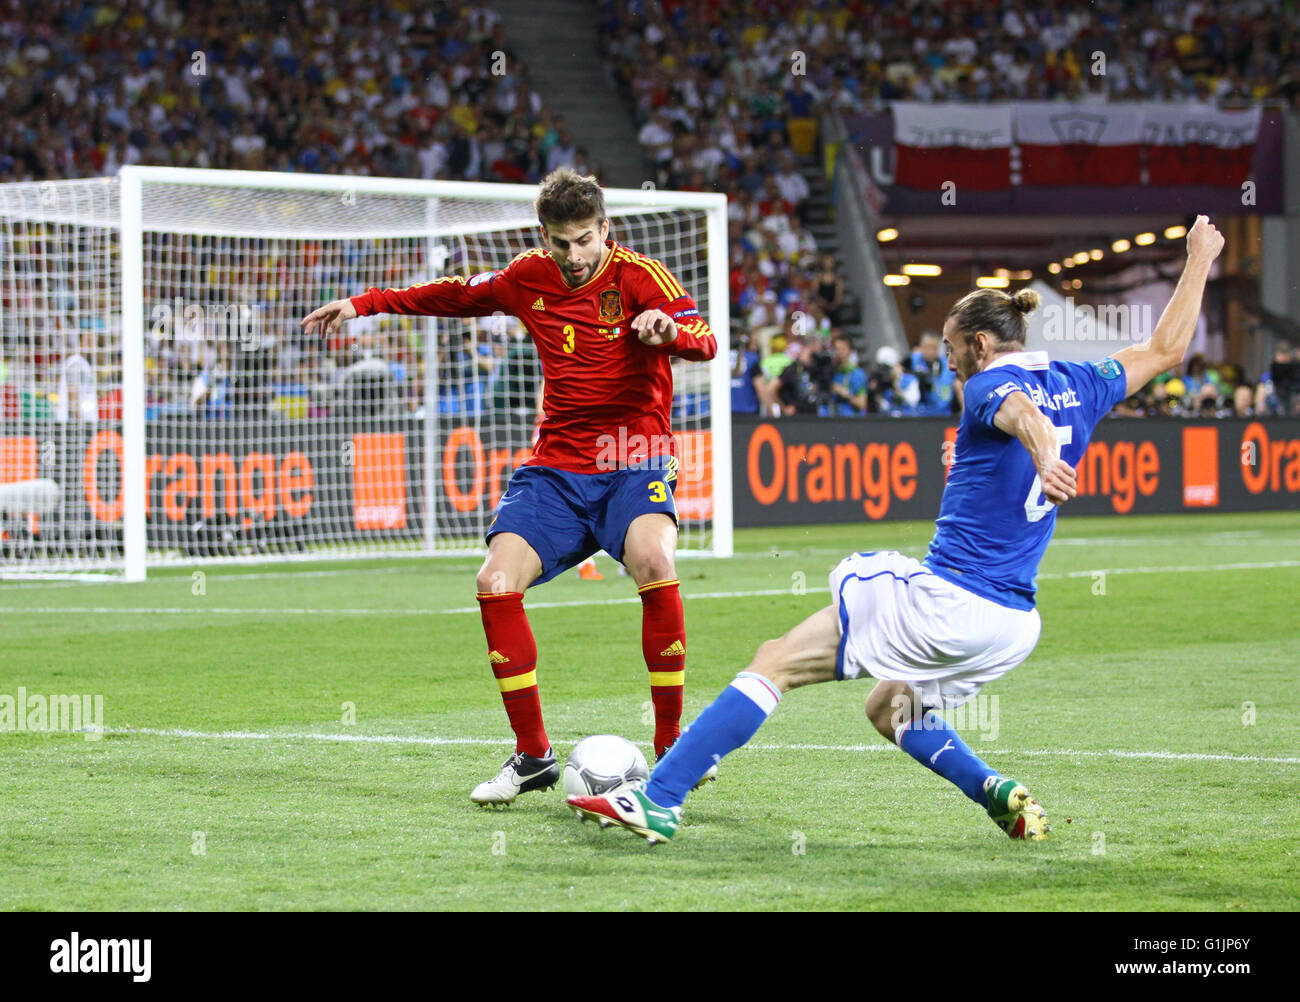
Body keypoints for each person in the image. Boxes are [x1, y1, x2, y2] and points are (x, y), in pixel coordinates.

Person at [568, 216, 1225, 844]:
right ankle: (994, 790)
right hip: (1011, 625)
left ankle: (658, 800)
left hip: (951, 601)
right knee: (890, 709)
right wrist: (1199, 260)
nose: (944, 364)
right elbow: (1167, 348)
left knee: (775, 658)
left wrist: (1048, 456)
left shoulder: (989, 383)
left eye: (947, 349)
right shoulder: (1084, 381)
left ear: (982, 345)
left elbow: (1021, 411)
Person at [302, 167, 719, 805]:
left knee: (654, 559)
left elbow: (707, 342)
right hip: (556, 466)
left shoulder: (643, 278)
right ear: (544, 237)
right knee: (494, 583)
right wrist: (364, 304)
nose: (574, 255)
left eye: (584, 239)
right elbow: (454, 295)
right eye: (562, 242)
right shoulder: (529, 276)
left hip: (634, 455)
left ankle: (670, 744)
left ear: (605, 229)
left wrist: (671, 334)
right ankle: (534, 757)